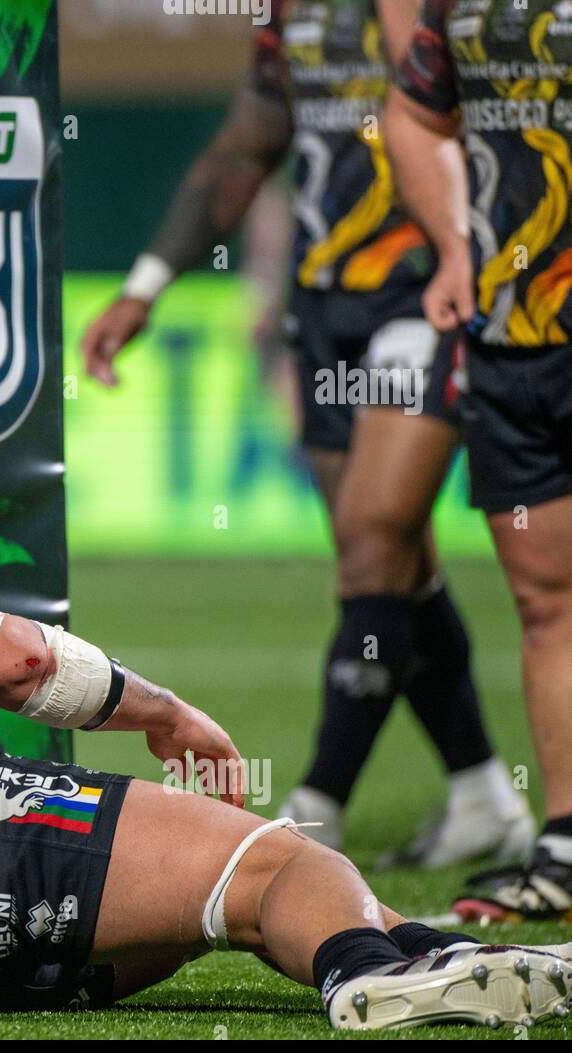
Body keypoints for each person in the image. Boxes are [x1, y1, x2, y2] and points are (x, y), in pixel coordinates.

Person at [0, 422, 570, 1027]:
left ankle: (444, 958)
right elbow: (13, 661)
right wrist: (164, 711)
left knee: (234, 905)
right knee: (283, 861)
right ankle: (370, 978)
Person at [79, 0, 530, 865]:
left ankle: (316, 801)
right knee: (395, 559)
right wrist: (145, 285)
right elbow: (246, 150)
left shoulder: (449, 15)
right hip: (324, 308)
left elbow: (458, 111)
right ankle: (479, 786)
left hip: (427, 291)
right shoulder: (294, 15)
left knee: (371, 539)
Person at [386, 0, 572, 920]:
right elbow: (415, 113)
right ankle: (567, 844)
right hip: (512, 340)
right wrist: (454, 247)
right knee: (545, 599)